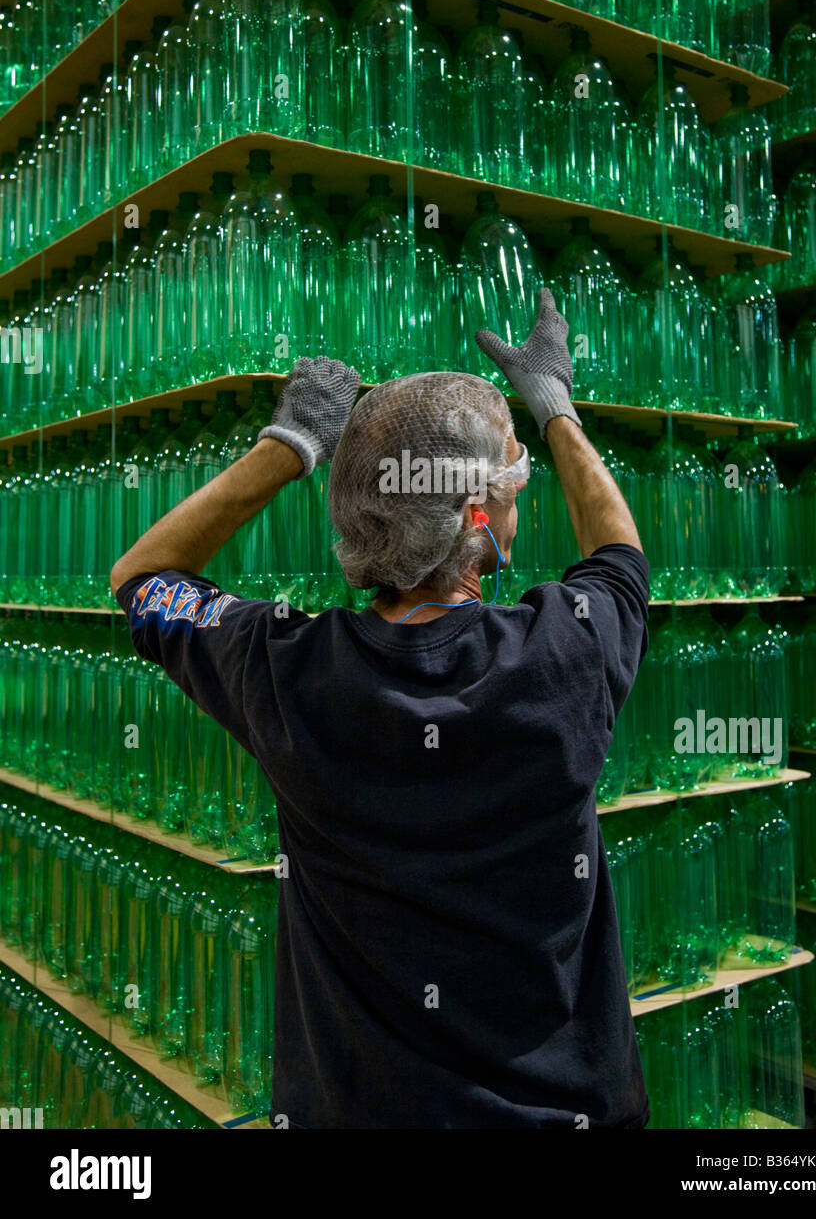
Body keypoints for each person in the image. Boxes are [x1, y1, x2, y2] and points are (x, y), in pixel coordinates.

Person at [111, 288, 650, 1129]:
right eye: (512, 479)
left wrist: (288, 447)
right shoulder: (565, 651)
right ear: (480, 518)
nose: (522, 496)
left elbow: (142, 581)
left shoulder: (284, 670)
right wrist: (554, 409)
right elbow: (618, 552)